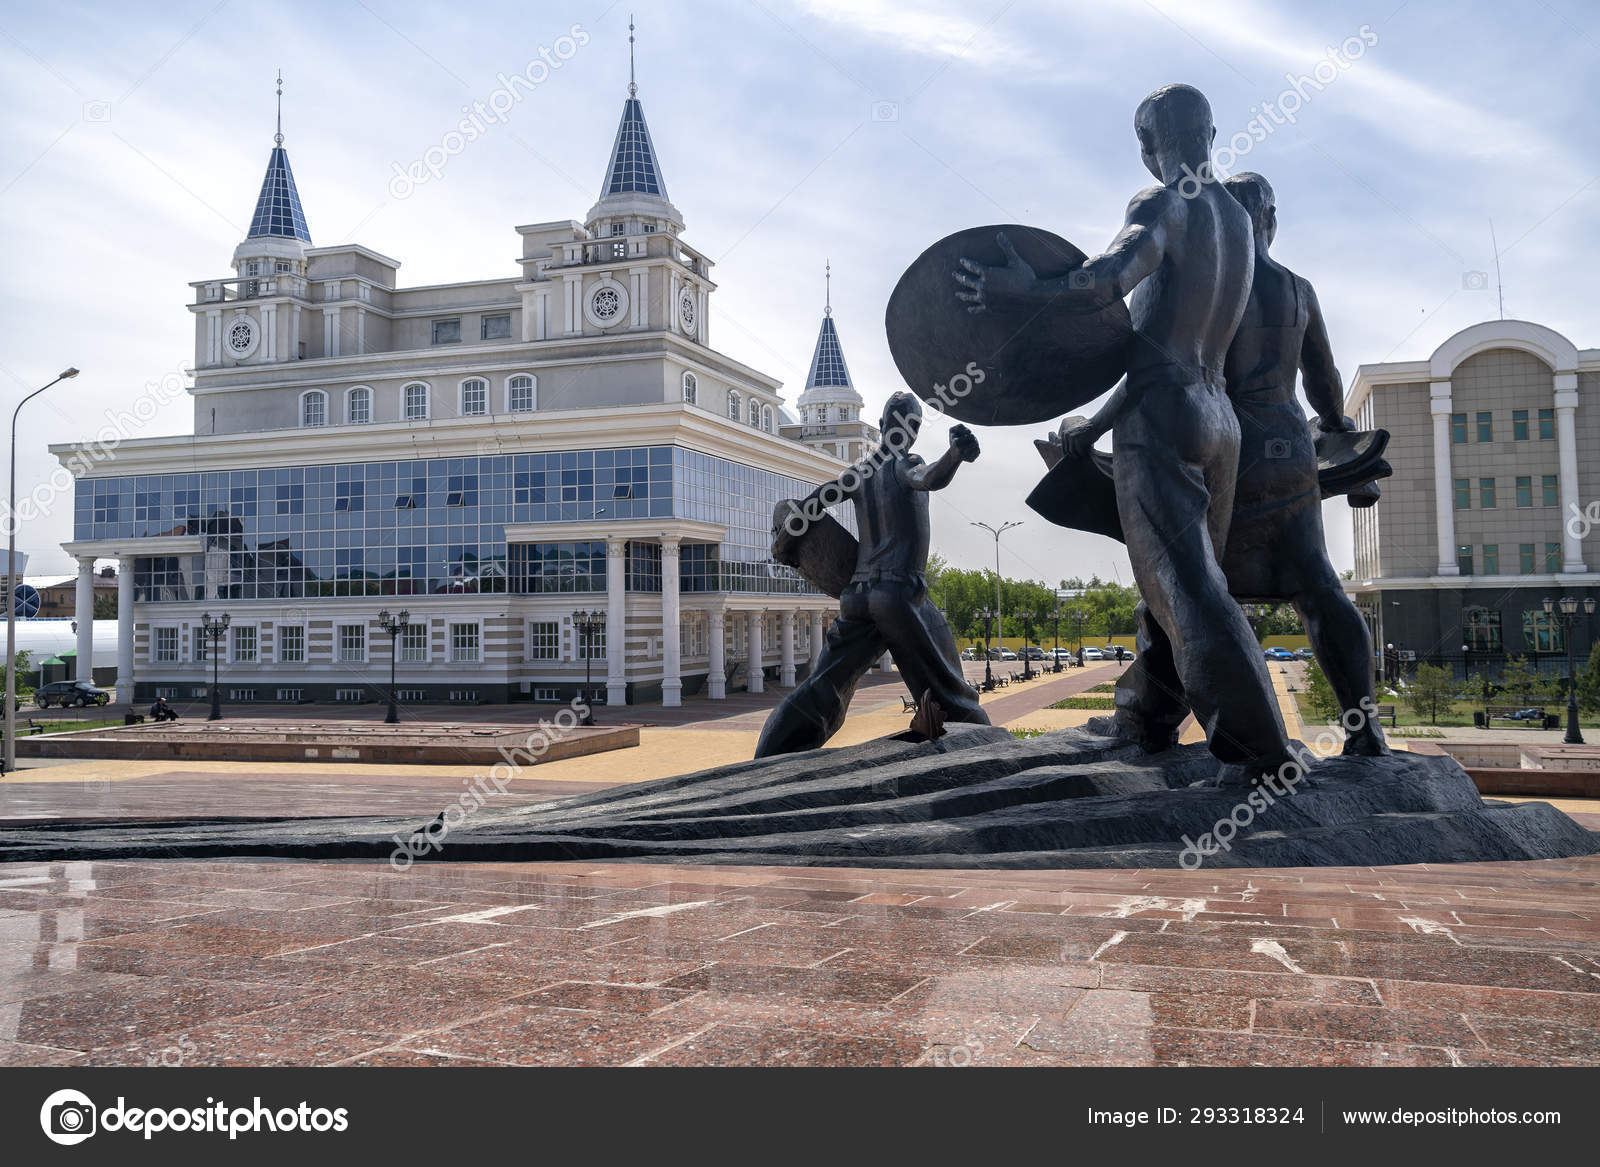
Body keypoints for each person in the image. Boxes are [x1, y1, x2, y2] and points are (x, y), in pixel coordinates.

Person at [955, 83, 1292, 780]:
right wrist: (1095, 426)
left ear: (1146, 144)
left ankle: (1259, 752)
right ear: (1211, 133)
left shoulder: (1162, 204)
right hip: (1218, 419)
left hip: (1163, 420)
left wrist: (1020, 290)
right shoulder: (1237, 218)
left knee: (1187, 588)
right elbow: (1160, 347)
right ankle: (1146, 716)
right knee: (1176, 582)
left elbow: (1104, 281)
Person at [1214, 172, 1387, 755]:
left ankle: (1157, 725)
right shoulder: (1296, 288)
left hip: (1223, 443)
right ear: (1269, 219)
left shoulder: (1210, 286)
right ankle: (1365, 731)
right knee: (1318, 587)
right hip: (1288, 444)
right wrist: (1337, 427)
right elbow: (1322, 379)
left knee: (1183, 585)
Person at [755, 392, 988, 757]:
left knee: (823, 686)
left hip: (858, 595)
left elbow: (810, 506)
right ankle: (985, 750)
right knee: (947, 688)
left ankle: (771, 754)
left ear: (881, 426)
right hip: (898, 595)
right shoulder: (905, 463)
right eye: (910, 424)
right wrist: (955, 455)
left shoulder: (858, 475)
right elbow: (928, 478)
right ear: (909, 429)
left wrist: (784, 542)